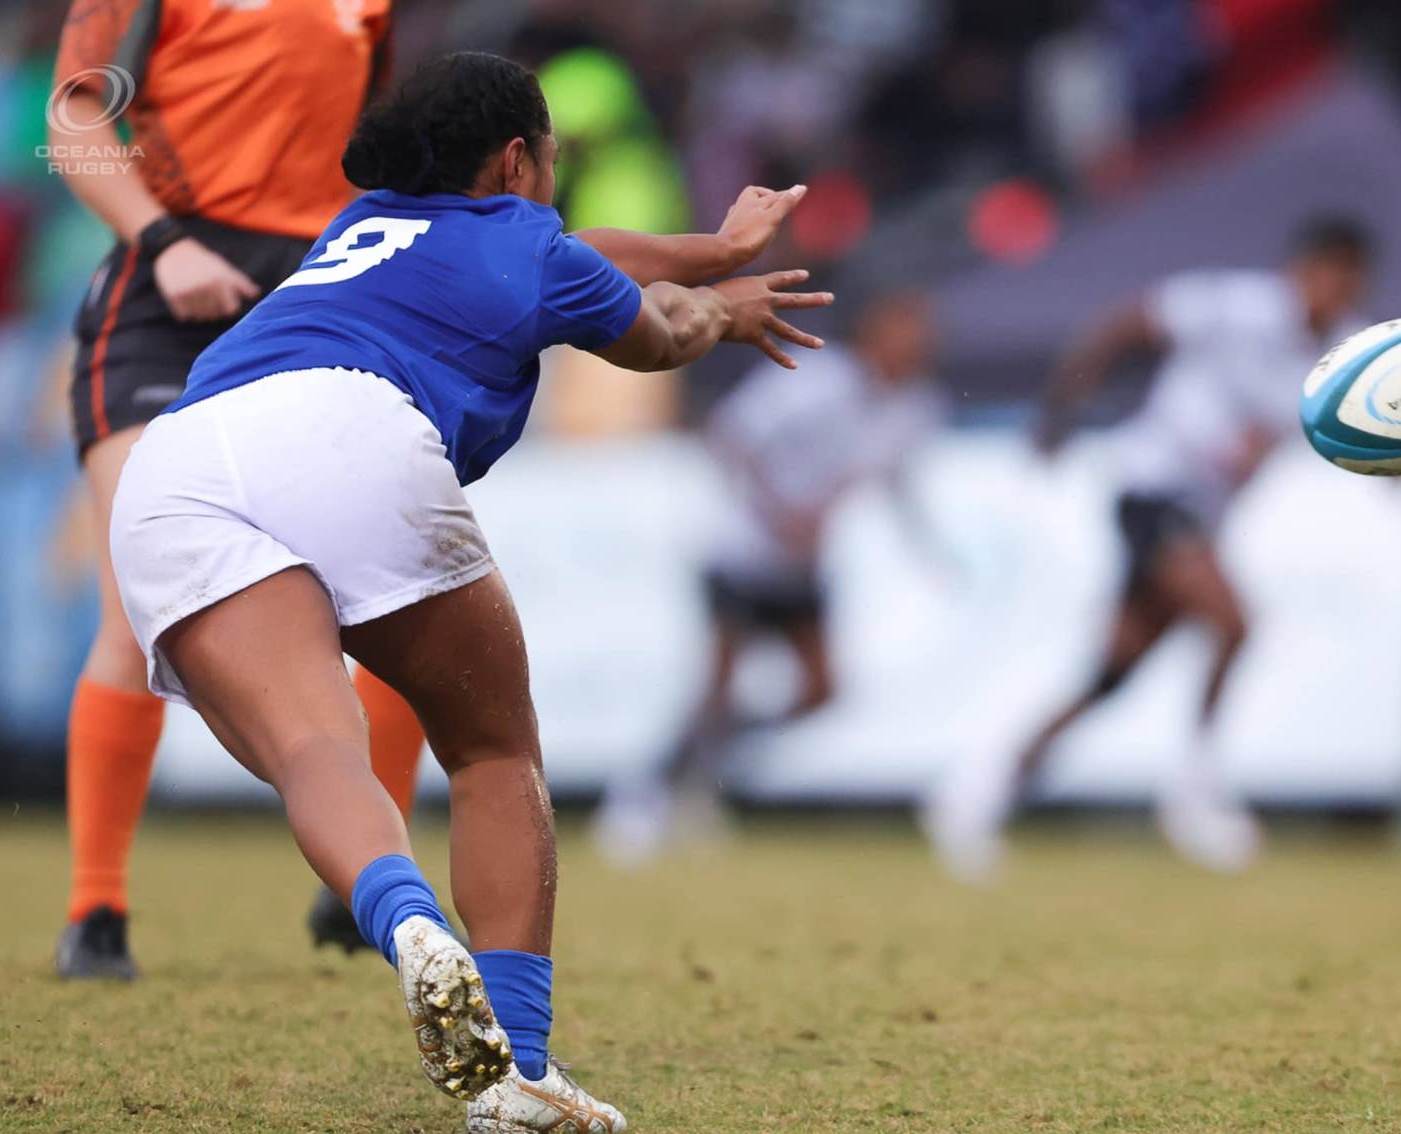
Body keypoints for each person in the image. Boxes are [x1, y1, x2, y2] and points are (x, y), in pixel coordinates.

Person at [107, 51, 831, 1131]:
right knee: (491, 751)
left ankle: (403, 923)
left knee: (316, 748)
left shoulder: (361, 223)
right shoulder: (529, 243)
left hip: (178, 457)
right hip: (346, 427)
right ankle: (519, 1072)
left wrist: (708, 246)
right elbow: (654, 325)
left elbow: (569, 248)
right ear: (516, 158)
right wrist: (718, 301)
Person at [46, 0, 434, 975]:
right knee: (137, 605)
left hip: (314, 291)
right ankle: (96, 910)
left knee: (407, 601)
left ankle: (364, 883)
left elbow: (376, 144)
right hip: (165, 288)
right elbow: (74, 122)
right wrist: (164, 240)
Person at [924, 216, 1374, 879]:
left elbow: (1392, 412)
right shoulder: (1240, 307)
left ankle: (978, 788)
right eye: (1331, 275)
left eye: (1351, 282)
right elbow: (1126, 324)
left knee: (1112, 671)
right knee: (1233, 621)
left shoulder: (1346, 351)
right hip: (1151, 487)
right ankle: (1194, 791)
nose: (1337, 292)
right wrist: (1060, 412)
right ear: (1304, 270)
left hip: (1203, 512)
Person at [595, 291, 945, 864]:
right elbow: (730, 433)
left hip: (801, 566)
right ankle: (646, 789)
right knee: (718, 684)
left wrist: (932, 556)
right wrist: (777, 508)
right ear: (873, 331)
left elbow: (896, 483)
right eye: (903, 327)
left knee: (821, 690)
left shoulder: (914, 408)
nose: (915, 343)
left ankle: (709, 764)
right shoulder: (816, 382)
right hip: (742, 549)